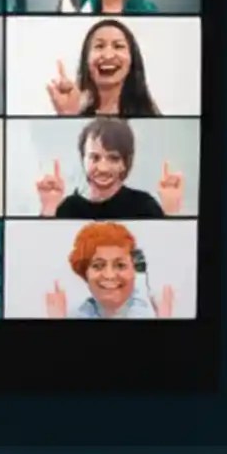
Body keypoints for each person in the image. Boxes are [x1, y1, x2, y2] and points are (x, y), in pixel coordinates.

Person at [35, 117, 185, 218]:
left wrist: (171, 211)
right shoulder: (67, 208)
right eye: (95, 157)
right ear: (83, 159)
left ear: (125, 163)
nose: (103, 168)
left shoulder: (144, 206)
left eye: (113, 158)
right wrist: (48, 208)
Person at [45, 221, 175, 319]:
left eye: (120, 265)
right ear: (85, 273)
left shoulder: (153, 314)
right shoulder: (72, 315)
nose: (109, 275)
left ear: (135, 270)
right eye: (98, 265)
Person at [46, 18, 161, 116]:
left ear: (132, 58)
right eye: (99, 46)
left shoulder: (151, 116)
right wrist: (69, 115)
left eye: (118, 46)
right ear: (86, 59)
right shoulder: (76, 111)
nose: (108, 55)